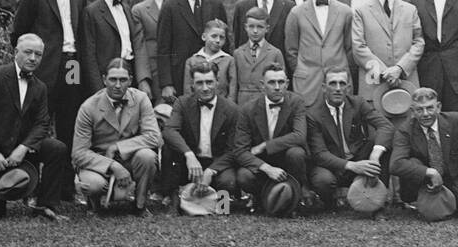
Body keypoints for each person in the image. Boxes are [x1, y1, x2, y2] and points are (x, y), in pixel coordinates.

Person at [0, 34, 71, 221]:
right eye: (28, 52)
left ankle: (45, 205)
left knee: (57, 148)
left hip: (19, 149)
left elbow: (42, 123)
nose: (33, 58)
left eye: (38, 54)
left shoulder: (40, 87)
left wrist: (23, 148)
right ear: (15, 52)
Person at [9, 0, 87, 149]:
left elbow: (83, 33)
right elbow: (18, 34)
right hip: (46, 66)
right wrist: (28, 65)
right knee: (38, 120)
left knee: (70, 117)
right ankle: (32, 175)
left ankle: (65, 178)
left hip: (72, 65)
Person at [71, 58, 161, 212]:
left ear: (131, 81)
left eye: (123, 80)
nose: (118, 85)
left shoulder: (141, 99)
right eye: (113, 79)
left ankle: (140, 205)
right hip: (98, 162)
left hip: (130, 158)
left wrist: (118, 147)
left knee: (147, 156)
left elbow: (154, 136)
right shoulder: (88, 107)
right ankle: (95, 204)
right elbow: (78, 153)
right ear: (104, 79)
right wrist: (113, 165)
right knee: (93, 184)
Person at [391, 88, 458, 222]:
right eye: (419, 110)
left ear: (438, 107)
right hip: (429, 184)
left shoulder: (456, 120)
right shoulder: (405, 130)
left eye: (430, 108)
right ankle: (438, 203)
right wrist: (429, 172)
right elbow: (395, 164)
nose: (425, 114)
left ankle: (454, 203)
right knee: (432, 216)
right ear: (412, 111)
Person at [306, 67, 394, 213]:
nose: (338, 89)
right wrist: (352, 166)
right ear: (323, 87)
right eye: (333, 84)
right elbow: (319, 154)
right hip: (331, 166)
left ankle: (378, 206)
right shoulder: (313, 113)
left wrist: (375, 155)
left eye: (342, 84)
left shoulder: (357, 103)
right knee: (323, 180)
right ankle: (331, 203)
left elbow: (385, 126)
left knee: (382, 146)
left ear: (348, 87)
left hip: (358, 158)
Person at [160, 58, 242, 203]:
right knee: (169, 148)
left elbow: (233, 150)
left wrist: (211, 171)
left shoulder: (231, 109)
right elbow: (169, 130)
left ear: (217, 81)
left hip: (217, 164)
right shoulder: (182, 103)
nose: (205, 88)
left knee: (228, 183)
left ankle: (223, 204)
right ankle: (171, 195)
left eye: (209, 82)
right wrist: (189, 155)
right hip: (191, 163)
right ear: (192, 84)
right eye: (199, 83)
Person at [231, 66, 310, 215]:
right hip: (262, 165)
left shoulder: (296, 102)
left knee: (297, 153)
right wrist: (266, 168)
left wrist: (266, 145)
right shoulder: (248, 109)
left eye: (281, 82)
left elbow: (299, 135)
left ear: (287, 83)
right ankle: (262, 199)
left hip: (287, 162)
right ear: (262, 85)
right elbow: (240, 151)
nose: (277, 87)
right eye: (272, 82)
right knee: (243, 175)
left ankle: (295, 199)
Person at [351, 0, 424, 114]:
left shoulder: (410, 10)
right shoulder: (361, 11)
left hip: (406, 83)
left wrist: (400, 69)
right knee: (376, 135)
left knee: (407, 133)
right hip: (373, 86)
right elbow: (358, 47)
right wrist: (386, 72)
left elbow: (418, 42)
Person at [157, 0, 227, 101]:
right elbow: (163, 47)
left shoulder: (215, 2)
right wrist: (166, 83)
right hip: (181, 77)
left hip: (211, 77)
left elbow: (225, 41)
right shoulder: (170, 5)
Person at [284, 0, 353, 106]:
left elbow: (350, 48)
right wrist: (301, 70)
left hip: (338, 82)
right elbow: (291, 50)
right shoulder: (296, 13)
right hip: (307, 83)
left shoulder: (345, 11)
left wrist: (342, 70)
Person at [84, 0, 151, 95]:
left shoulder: (127, 9)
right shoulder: (92, 12)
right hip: (107, 81)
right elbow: (88, 57)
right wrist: (99, 90)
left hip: (129, 77)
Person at [132, 0, 174, 103]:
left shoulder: (184, 7)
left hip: (181, 74)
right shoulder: (140, 10)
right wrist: (143, 80)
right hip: (154, 76)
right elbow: (139, 47)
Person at [231, 7, 287, 105]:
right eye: (251, 26)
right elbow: (233, 84)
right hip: (243, 103)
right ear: (245, 27)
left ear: (267, 29)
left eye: (260, 27)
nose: (255, 31)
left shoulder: (275, 53)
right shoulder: (238, 53)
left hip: (266, 102)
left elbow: (281, 83)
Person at [182, 19, 234, 99]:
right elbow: (188, 91)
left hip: (222, 108)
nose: (218, 40)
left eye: (222, 37)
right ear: (204, 37)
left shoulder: (229, 61)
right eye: (214, 36)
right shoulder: (192, 61)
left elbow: (232, 91)